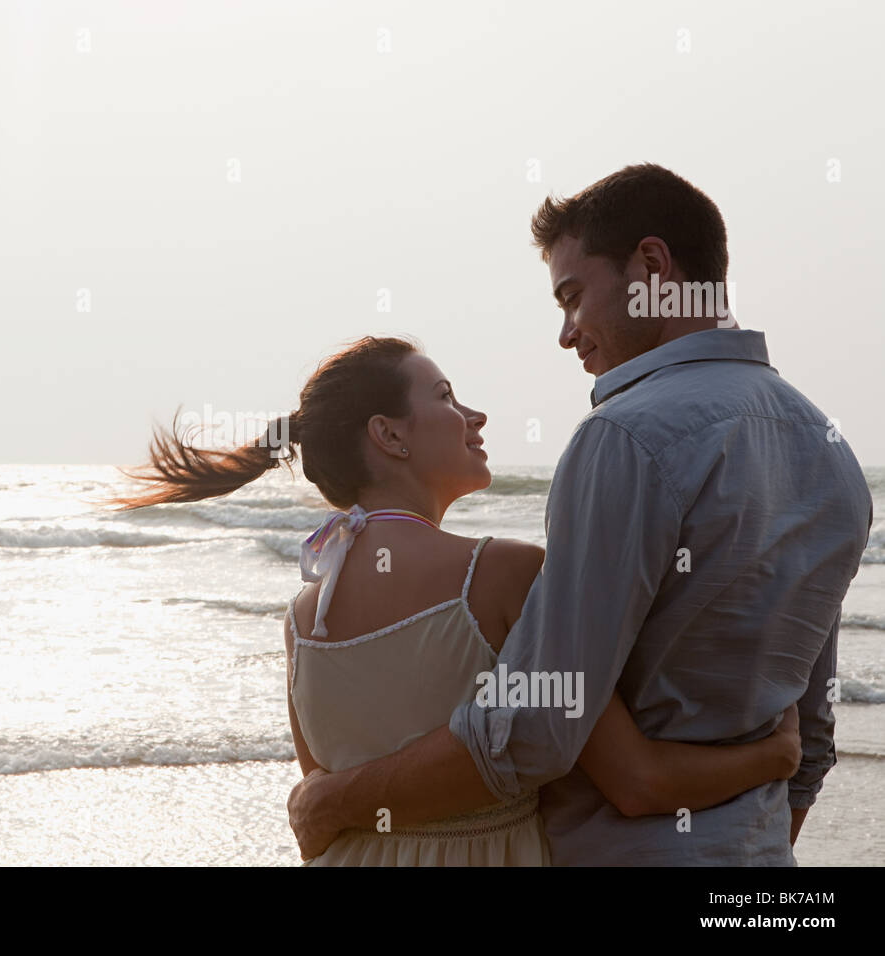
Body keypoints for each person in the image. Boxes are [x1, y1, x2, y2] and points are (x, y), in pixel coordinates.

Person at [285, 164, 874, 865]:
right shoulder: (831, 455)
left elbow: (536, 726)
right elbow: (808, 737)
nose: (568, 334)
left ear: (651, 265)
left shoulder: (624, 437)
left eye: (573, 297)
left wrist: (336, 800)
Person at [116, 333, 803, 865]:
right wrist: (774, 757)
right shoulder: (502, 576)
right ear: (387, 435)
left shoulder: (302, 619)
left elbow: (321, 813)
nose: (474, 414)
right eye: (445, 397)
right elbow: (637, 781)